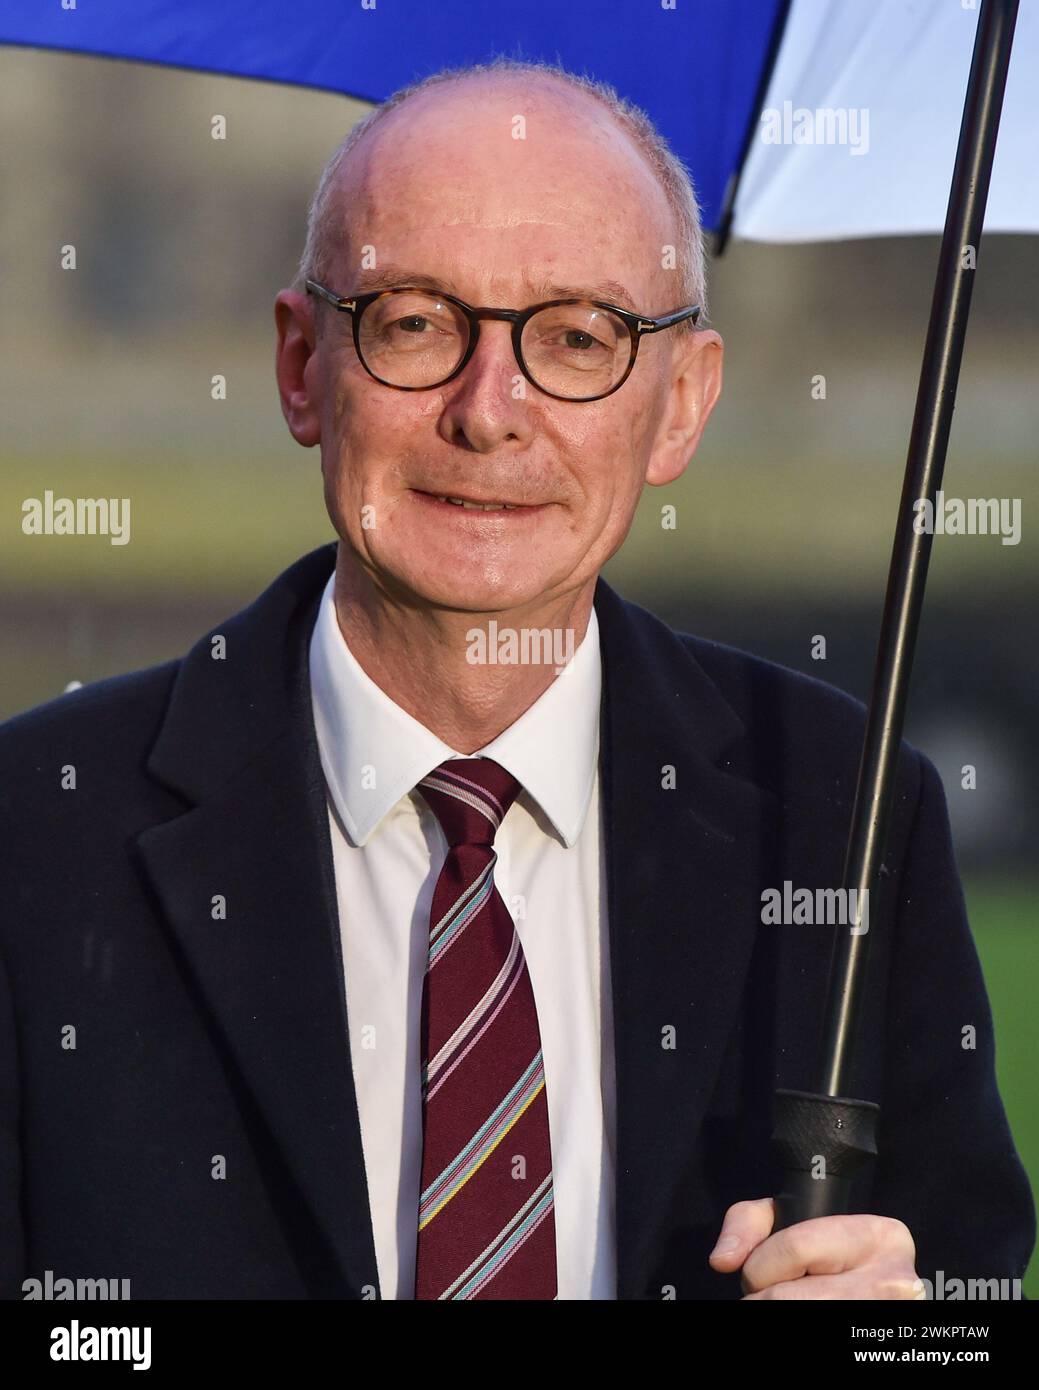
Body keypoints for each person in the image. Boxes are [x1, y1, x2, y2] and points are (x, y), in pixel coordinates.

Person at [0, 57, 1033, 1302]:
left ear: (681, 406)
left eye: (578, 337)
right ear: (298, 366)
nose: (490, 412)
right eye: (417, 323)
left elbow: (973, 1288)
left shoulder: (854, 818)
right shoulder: (34, 832)